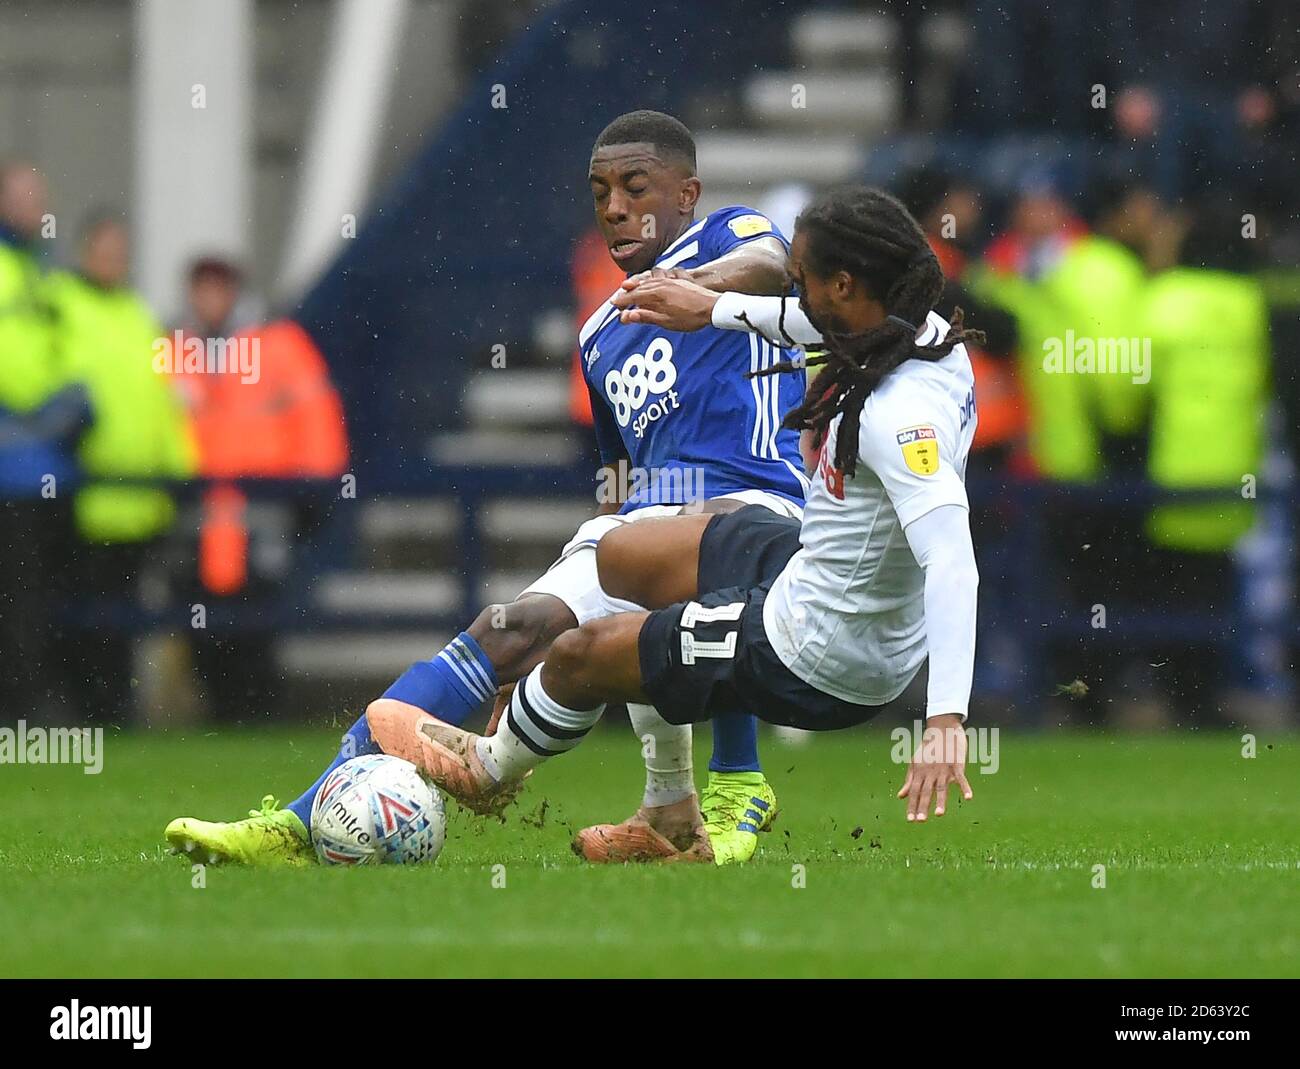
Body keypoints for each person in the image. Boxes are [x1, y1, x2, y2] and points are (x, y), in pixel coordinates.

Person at [163, 110, 809, 866]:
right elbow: (620, 470)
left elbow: (773, 265)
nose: (615, 207)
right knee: (511, 628)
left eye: (637, 188)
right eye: (600, 191)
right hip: (647, 517)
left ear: (688, 192)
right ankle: (298, 825)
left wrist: (693, 290)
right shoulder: (601, 330)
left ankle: (736, 779)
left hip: (757, 501)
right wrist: (594, 557)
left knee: (685, 575)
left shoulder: (734, 235)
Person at [365, 186, 983, 843]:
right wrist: (712, 309)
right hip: (821, 569)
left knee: (583, 656)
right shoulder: (924, 334)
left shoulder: (897, 419)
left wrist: (944, 720)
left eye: (801, 284)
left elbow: (951, 559)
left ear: (846, 284)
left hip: (815, 652)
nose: (792, 296)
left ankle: (486, 768)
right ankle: (670, 811)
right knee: (626, 553)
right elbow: (815, 322)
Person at [45, 213, 198, 722]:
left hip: (140, 500)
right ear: (84, 250)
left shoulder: (136, 314)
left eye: (119, 249)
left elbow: (163, 400)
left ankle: (114, 712)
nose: (113, 258)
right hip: (84, 495)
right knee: (79, 615)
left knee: (125, 617)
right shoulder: (61, 305)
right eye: (104, 248)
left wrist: (181, 467)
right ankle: (82, 713)